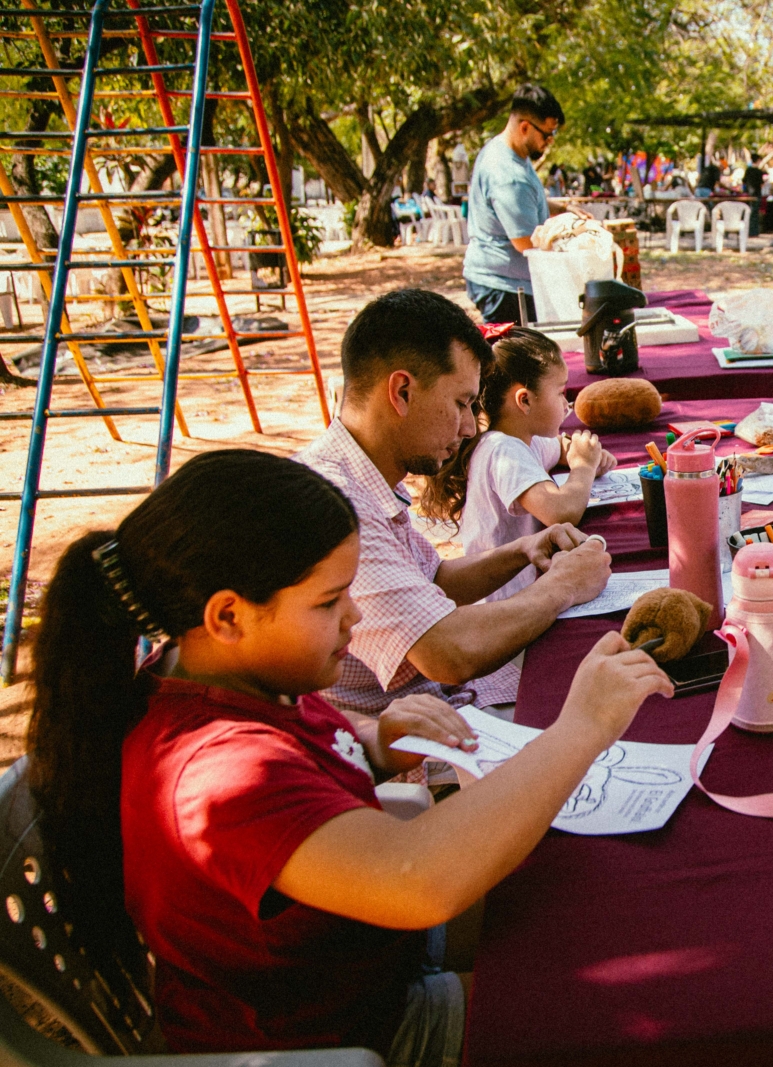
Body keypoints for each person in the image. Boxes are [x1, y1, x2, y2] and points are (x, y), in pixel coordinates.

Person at [24, 448, 671, 1061]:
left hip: (365, 955)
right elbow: (420, 879)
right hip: (351, 1034)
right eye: (329, 601)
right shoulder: (215, 770)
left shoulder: (222, 675)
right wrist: (581, 726)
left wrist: (376, 741)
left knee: (607, 894)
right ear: (228, 616)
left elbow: (300, 760)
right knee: (639, 1010)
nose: (354, 617)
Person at [297, 289, 611, 716]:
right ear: (402, 392)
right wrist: (564, 585)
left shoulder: (364, 476)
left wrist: (522, 551)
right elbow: (447, 652)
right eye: (462, 403)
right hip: (413, 732)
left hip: (440, 706)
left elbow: (435, 580)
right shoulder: (335, 504)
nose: (468, 427)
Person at [422, 327, 617, 603]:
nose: (566, 404)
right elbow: (561, 512)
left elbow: (562, 448)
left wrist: (580, 453)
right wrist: (584, 466)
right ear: (524, 400)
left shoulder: (525, 438)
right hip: (508, 605)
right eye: (560, 392)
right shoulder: (502, 450)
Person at [462, 84, 566, 325]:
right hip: (504, 287)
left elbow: (527, 203)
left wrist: (564, 211)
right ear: (525, 127)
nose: (550, 141)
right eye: (547, 134)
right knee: (518, 359)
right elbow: (525, 241)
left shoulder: (508, 151)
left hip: (503, 280)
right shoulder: (507, 175)